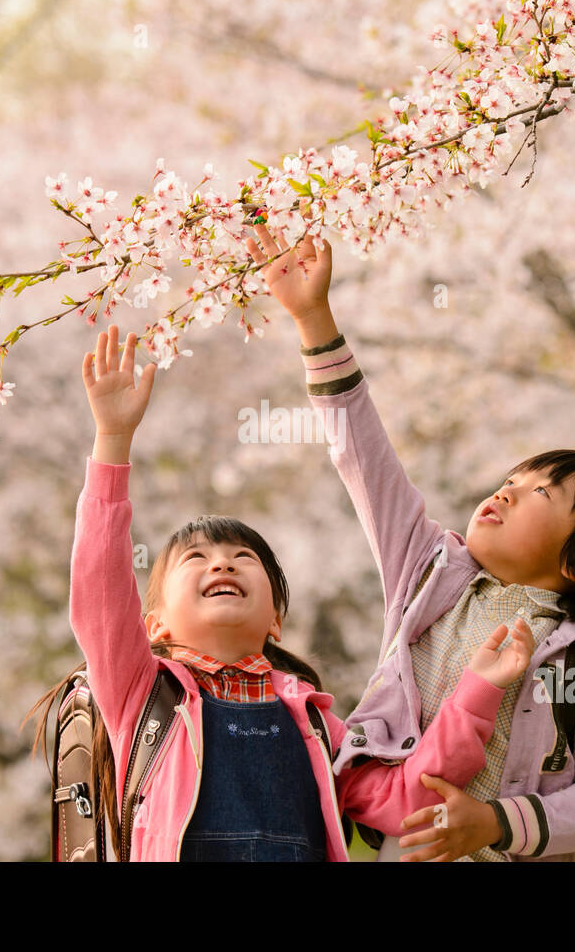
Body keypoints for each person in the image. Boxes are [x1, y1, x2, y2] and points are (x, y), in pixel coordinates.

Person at [244, 222, 575, 861]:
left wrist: (498, 822)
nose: (504, 492)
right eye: (510, 479)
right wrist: (314, 321)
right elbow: (363, 459)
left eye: (540, 495)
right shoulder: (427, 572)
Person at [50, 323, 539, 861]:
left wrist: (476, 693)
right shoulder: (145, 698)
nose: (222, 563)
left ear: (275, 621)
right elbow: (100, 592)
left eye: (244, 559)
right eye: (196, 558)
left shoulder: (312, 721)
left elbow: (406, 801)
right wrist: (112, 444)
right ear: (155, 625)